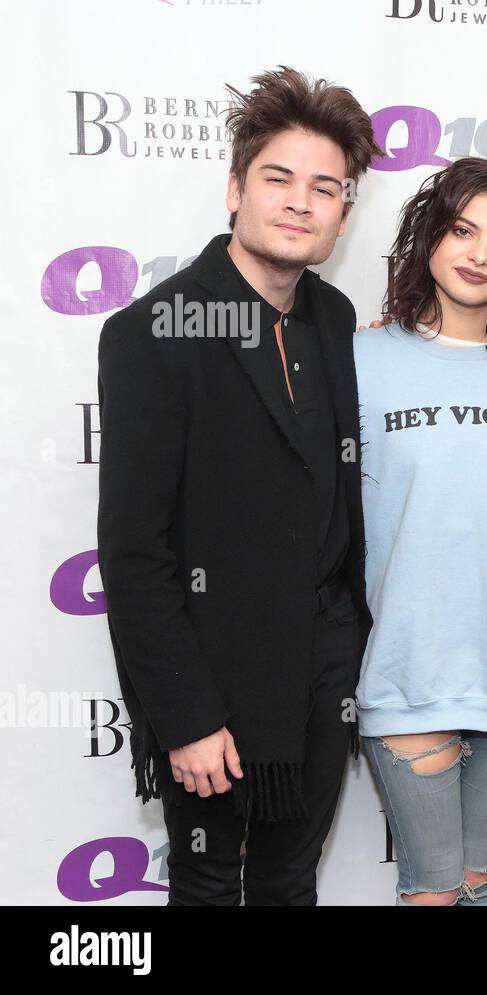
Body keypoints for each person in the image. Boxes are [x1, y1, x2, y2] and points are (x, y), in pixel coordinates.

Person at [96, 67, 381, 905]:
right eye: (278, 179)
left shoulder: (330, 318)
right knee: (212, 883)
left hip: (320, 675)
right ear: (234, 189)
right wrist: (183, 714)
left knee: (291, 881)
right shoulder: (156, 330)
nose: (300, 202)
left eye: (324, 188)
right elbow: (135, 551)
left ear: (343, 211)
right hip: (212, 681)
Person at [354, 157, 487, 906]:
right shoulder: (359, 359)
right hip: (407, 665)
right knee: (436, 888)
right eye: (463, 230)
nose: (481, 255)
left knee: (481, 878)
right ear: (429, 238)